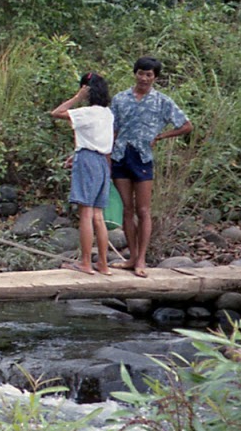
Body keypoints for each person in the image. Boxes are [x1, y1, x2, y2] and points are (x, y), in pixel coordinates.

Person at [110, 57, 192, 278]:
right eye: (141, 73)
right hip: (120, 155)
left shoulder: (161, 101)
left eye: (149, 75)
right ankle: (132, 258)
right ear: (135, 73)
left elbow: (186, 125)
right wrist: (107, 155)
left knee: (143, 210)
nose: (144, 78)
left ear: (155, 77)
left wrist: (161, 136)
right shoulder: (120, 99)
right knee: (127, 209)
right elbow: (113, 128)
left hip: (143, 157)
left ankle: (142, 260)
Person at [51, 72, 114, 275]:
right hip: (103, 162)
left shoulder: (87, 112)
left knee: (86, 213)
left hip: (88, 160)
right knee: (98, 215)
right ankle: (103, 263)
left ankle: (86, 262)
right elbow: (99, 140)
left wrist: (77, 98)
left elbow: (57, 112)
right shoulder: (107, 114)